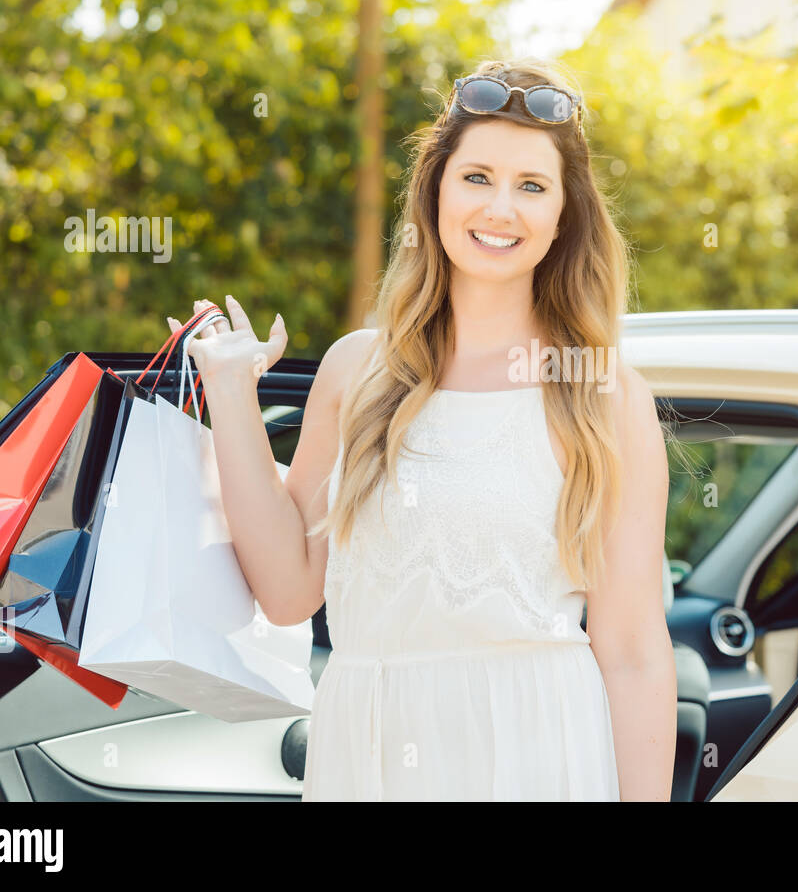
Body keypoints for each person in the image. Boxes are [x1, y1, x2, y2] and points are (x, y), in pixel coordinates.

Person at [165, 57, 676, 801]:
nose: (500, 207)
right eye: (477, 177)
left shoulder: (603, 394)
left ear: (564, 216)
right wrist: (231, 394)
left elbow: (631, 653)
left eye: (532, 186)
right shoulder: (355, 371)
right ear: (436, 190)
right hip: (367, 759)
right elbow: (285, 591)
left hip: (537, 761)